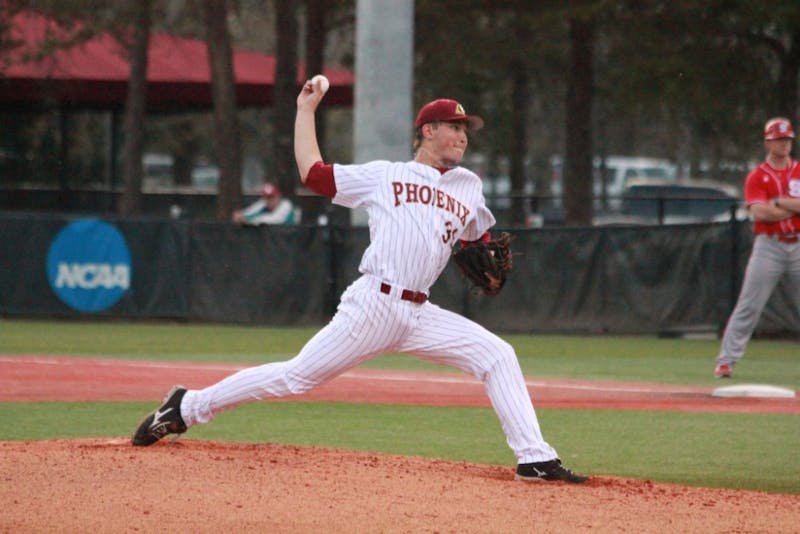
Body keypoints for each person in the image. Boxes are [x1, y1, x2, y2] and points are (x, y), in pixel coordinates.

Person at [132, 77, 589, 484]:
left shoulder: (468, 186)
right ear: (428, 131)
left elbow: (479, 237)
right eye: (454, 126)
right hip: (375, 304)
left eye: (466, 129)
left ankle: (534, 458)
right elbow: (313, 174)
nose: (463, 136)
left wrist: (484, 250)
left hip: (419, 312)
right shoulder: (386, 176)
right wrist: (305, 111)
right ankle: (187, 407)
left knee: (497, 355)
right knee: (296, 378)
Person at [714, 117, 800, 378]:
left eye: (787, 139)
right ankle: (726, 361)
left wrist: (778, 202)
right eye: (778, 139)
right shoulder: (757, 176)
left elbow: (772, 207)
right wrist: (791, 208)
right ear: (767, 142)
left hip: (798, 244)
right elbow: (760, 213)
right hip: (769, 246)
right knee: (749, 305)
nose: (784, 144)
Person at [231, 182, 295, 225]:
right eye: (266, 198)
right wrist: (241, 215)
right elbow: (250, 211)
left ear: (279, 196)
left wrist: (248, 220)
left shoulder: (286, 205)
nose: (269, 200)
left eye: (272, 197)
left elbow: (274, 219)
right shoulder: (264, 204)